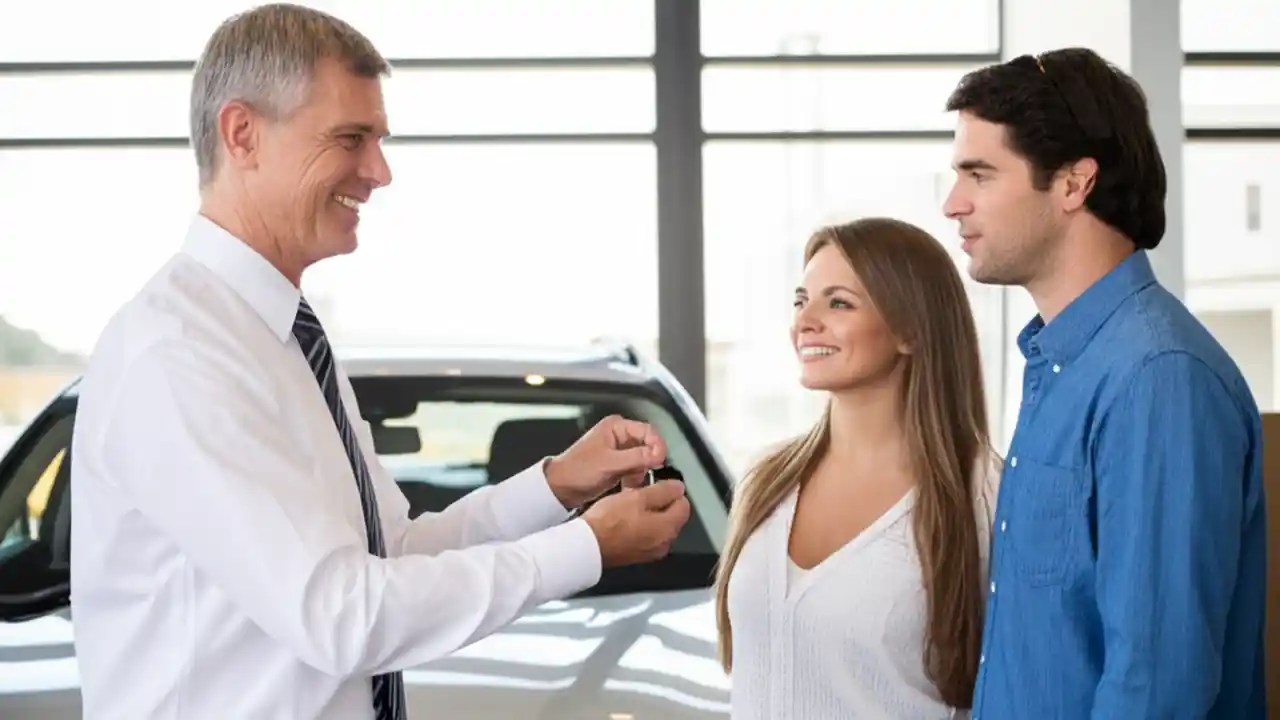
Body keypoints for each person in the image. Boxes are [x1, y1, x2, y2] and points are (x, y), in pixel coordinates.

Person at [68, 5, 691, 719]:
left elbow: (390, 556)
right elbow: (341, 617)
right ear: (242, 134)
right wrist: (585, 547)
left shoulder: (282, 335)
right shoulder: (179, 352)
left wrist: (554, 487)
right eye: (350, 138)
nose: (379, 171)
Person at [942, 47, 1266, 718]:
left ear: (1072, 184)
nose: (953, 203)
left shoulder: (1158, 380)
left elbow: (1156, 688)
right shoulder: (1063, 364)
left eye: (979, 173)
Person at [713, 217, 1001, 719]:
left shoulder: (982, 495)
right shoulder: (766, 481)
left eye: (838, 302)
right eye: (802, 300)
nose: (806, 321)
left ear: (910, 329)